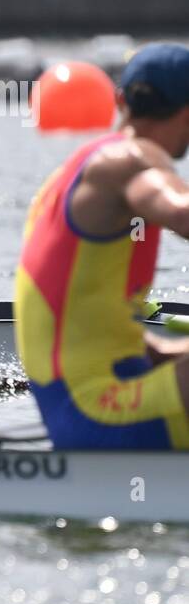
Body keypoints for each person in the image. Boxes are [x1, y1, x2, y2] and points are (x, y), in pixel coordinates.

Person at [15, 43, 189, 448]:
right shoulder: (132, 161)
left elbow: (85, 322)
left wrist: (170, 351)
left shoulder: (75, 170)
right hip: (103, 413)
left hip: (75, 408)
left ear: (121, 101)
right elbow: (182, 213)